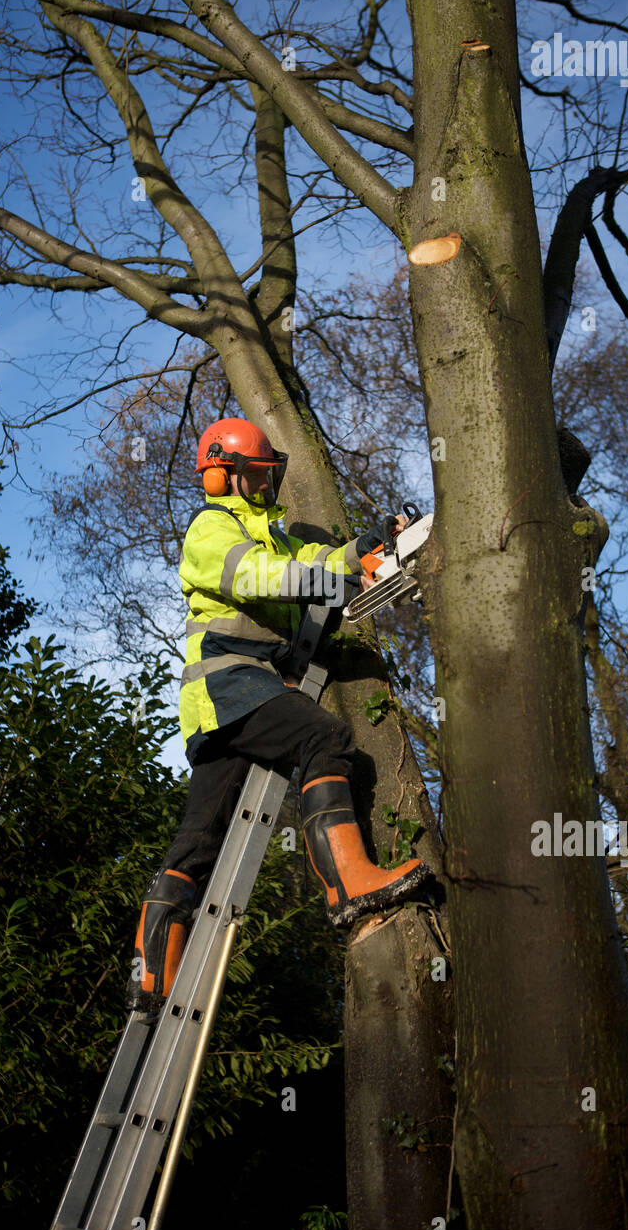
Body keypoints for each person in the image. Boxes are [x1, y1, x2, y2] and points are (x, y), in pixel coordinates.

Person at [125, 416, 428, 1014]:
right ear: (223, 474)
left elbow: (321, 557)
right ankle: (347, 885)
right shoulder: (211, 529)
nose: (266, 487)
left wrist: (365, 550)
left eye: (269, 476)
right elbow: (258, 577)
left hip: (231, 707)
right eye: (257, 475)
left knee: (198, 841)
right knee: (325, 738)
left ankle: (151, 976)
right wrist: (330, 578)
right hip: (231, 685)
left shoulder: (276, 536)